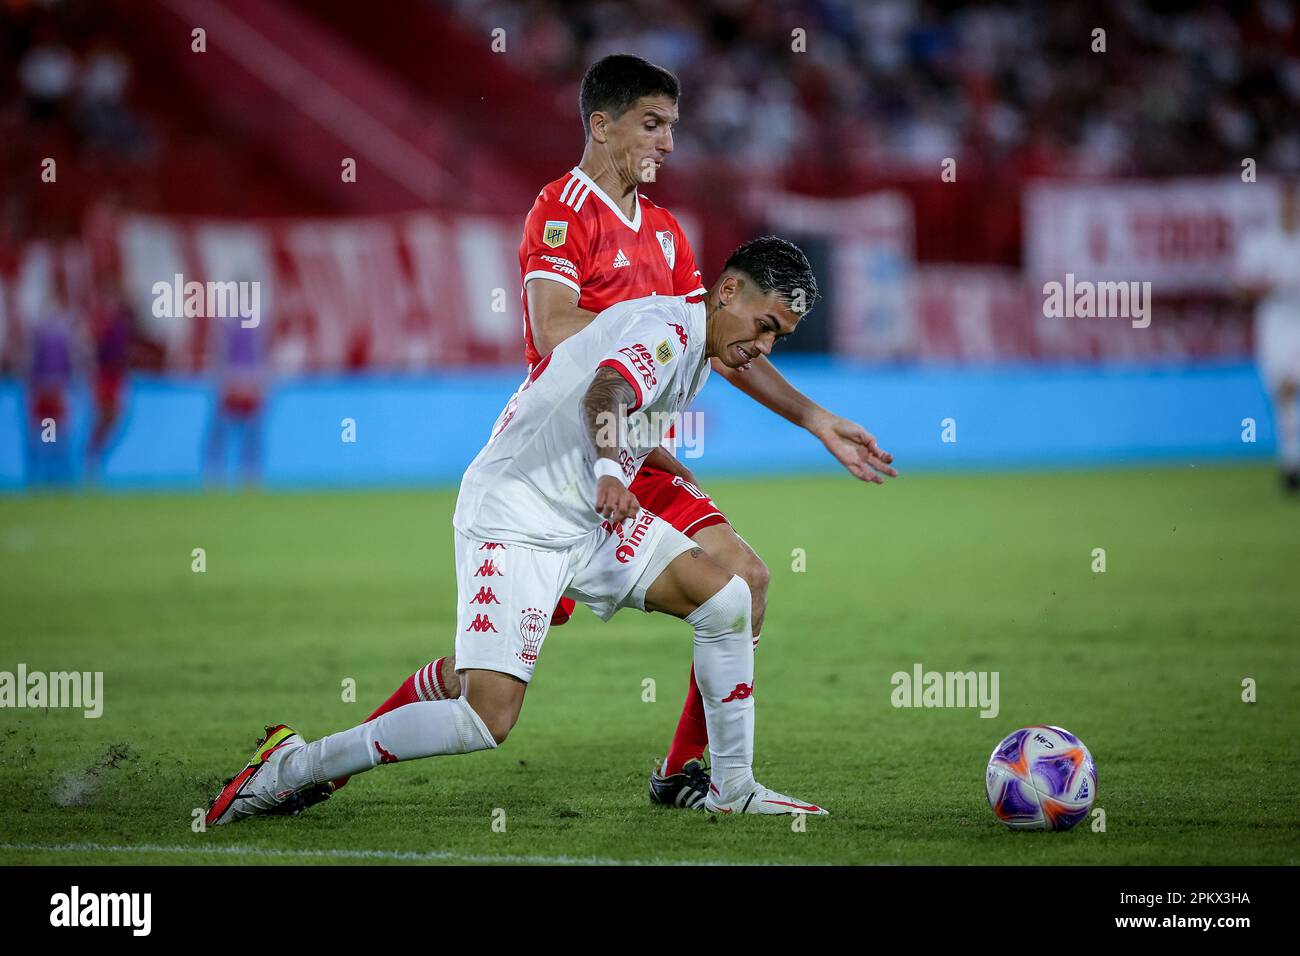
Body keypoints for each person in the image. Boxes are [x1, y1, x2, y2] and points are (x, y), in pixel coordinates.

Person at [330, 55, 896, 811]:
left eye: (672, 128)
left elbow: (715, 345)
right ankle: (322, 766)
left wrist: (815, 418)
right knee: (483, 686)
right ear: (602, 125)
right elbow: (554, 327)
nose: (665, 144)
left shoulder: (666, 234)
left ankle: (688, 774)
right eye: (652, 125)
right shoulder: (561, 212)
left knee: (743, 583)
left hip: (633, 452)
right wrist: (652, 331)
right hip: (568, 451)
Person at [207, 237, 833, 824]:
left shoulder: (698, 341)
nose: (765, 346)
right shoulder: (669, 332)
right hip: (519, 516)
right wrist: (615, 468)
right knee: (486, 720)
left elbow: (617, 402)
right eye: (765, 326)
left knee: (727, 598)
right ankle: (291, 767)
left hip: (583, 519)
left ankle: (732, 788)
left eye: (779, 335)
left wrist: (648, 457)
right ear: (728, 293)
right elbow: (607, 390)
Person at [1235, 178, 1300, 493]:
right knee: (1281, 393)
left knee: (1291, 387)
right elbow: (1238, 287)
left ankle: (1291, 462)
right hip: (1274, 324)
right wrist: (1262, 287)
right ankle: (1290, 461)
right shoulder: (1262, 242)